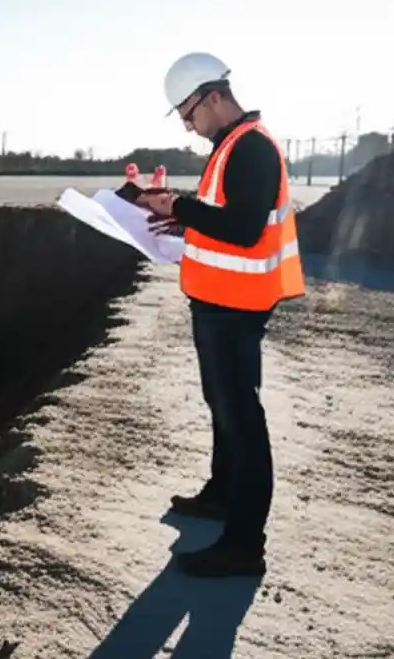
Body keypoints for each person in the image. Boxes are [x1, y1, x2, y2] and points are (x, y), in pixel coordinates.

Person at [135, 51, 305, 577]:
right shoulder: (230, 145)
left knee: (241, 418)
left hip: (237, 305)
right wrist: (182, 219)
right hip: (219, 301)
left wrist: (178, 207)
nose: (187, 126)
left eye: (188, 113)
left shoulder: (251, 147)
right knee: (223, 405)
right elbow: (223, 217)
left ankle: (244, 544)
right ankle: (220, 494)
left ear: (213, 97)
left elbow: (244, 228)